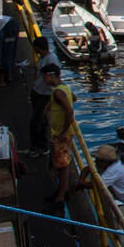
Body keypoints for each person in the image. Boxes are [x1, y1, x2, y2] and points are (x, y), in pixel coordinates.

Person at [76, 145, 124, 240]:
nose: (96, 162)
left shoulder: (113, 170)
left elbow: (97, 185)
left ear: (106, 162)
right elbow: (87, 169)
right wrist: (80, 182)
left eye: (99, 160)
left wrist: (80, 185)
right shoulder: (111, 166)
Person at [43, 64, 76, 210]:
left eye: (44, 77)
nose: (44, 80)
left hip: (61, 135)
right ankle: (61, 192)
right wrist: (50, 106)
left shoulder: (58, 92)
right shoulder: (63, 89)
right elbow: (73, 98)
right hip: (60, 133)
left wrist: (63, 130)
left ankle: (60, 197)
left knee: (62, 166)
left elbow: (69, 111)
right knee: (59, 164)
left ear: (51, 75)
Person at [28, 36, 60, 157]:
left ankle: (38, 147)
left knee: (37, 121)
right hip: (37, 92)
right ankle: (42, 145)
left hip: (44, 95)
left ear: (38, 48)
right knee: (41, 121)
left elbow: (54, 78)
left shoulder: (51, 60)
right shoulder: (43, 58)